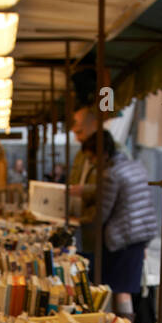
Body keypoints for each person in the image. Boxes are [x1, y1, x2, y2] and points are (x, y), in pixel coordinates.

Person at [96, 129, 158, 320]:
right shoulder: (136, 166)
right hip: (140, 233)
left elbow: (103, 211)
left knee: (120, 288)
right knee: (125, 287)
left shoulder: (111, 174)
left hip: (122, 236)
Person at [68, 105, 99, 274]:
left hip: (97, 230)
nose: (76, 136)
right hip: (82, 226)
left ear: (93, 125)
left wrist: (83, 190)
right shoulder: (81, 154)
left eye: (79, 131)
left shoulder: (109, 152)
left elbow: (108, 189)